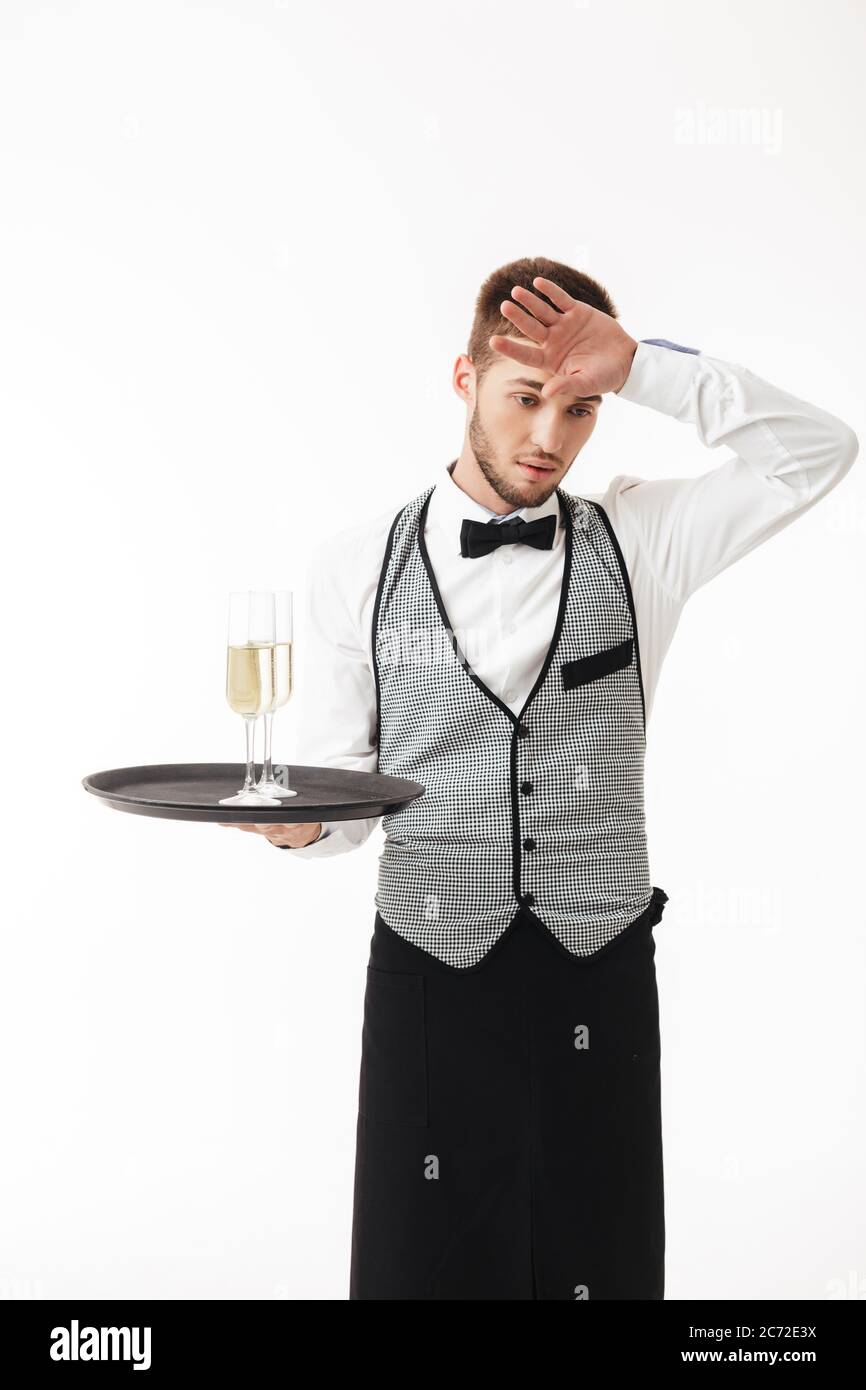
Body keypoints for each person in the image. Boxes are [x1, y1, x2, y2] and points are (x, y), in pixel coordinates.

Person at [220, 257, 858, 1299]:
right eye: (525, 397)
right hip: (431, 981)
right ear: (462, 379)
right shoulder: (355, 566)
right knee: (418, 1275)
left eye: (579, 408)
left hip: (594, 977)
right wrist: (299, 831)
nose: (549, 438)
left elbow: (814, 453)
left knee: (594, 1269)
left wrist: (646, 370)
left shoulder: (642, 542)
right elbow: (341, 799)